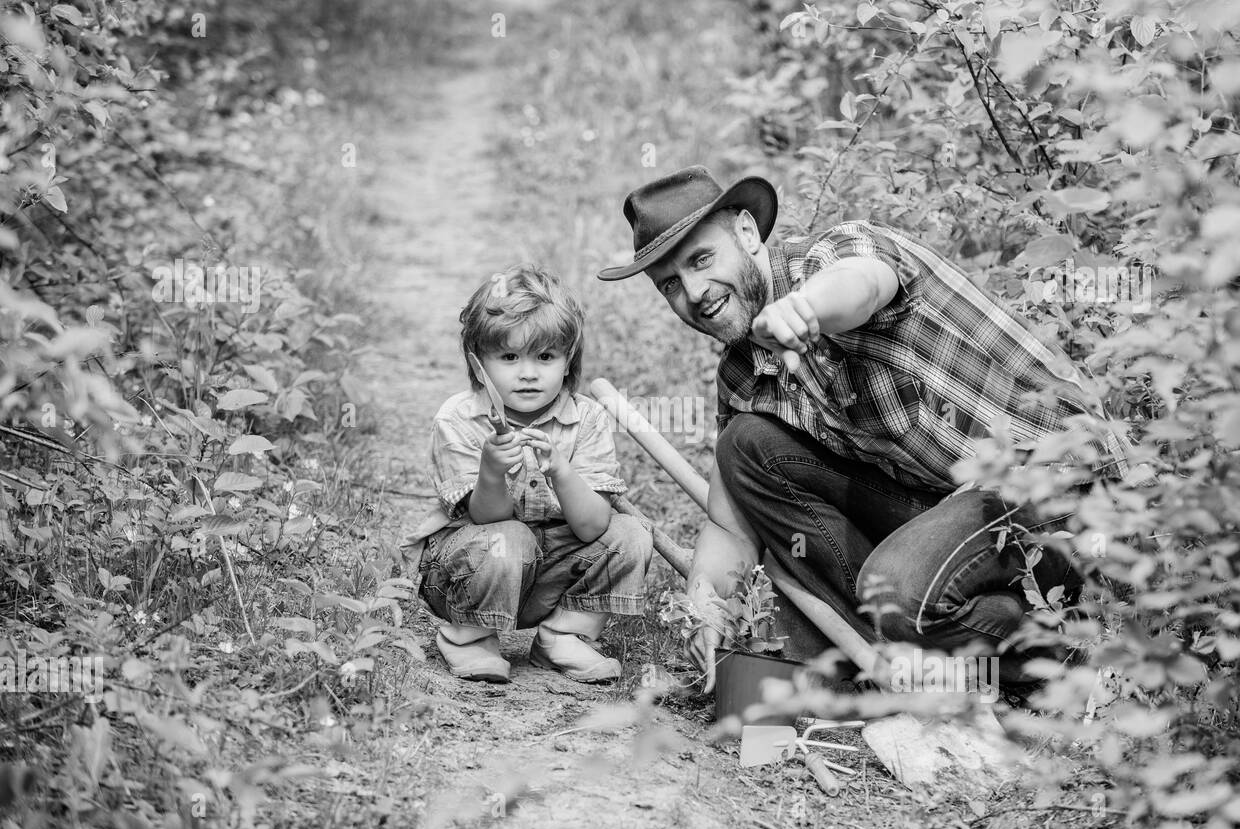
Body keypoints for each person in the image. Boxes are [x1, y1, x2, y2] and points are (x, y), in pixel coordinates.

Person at [597, 165, 1152, 694]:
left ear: (746, 231)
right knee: (745, 445)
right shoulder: (743, 372)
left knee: (897, 591)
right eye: (670, 284)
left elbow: (860, 284)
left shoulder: (836, 255)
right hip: (959, 510)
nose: (693, 293)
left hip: (1064, 478)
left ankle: (1071, 650)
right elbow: (728, 525)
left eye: (700, 260)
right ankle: (935, 642)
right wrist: (706, 609)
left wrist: (804, 310)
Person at [407, 263, 653, 683]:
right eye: (508, 356)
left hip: (549, 576)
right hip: (470, 572)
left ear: (567, 359)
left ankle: (564, 635)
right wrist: (491, 472)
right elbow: (486, 519)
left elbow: (594, 525)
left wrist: (561, 470)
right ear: (478, 363)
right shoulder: (460, 419)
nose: (528, 372)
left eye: (545, 356)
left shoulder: (588, 419)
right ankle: (468, 636)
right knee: (511, 536)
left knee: (631, 533)